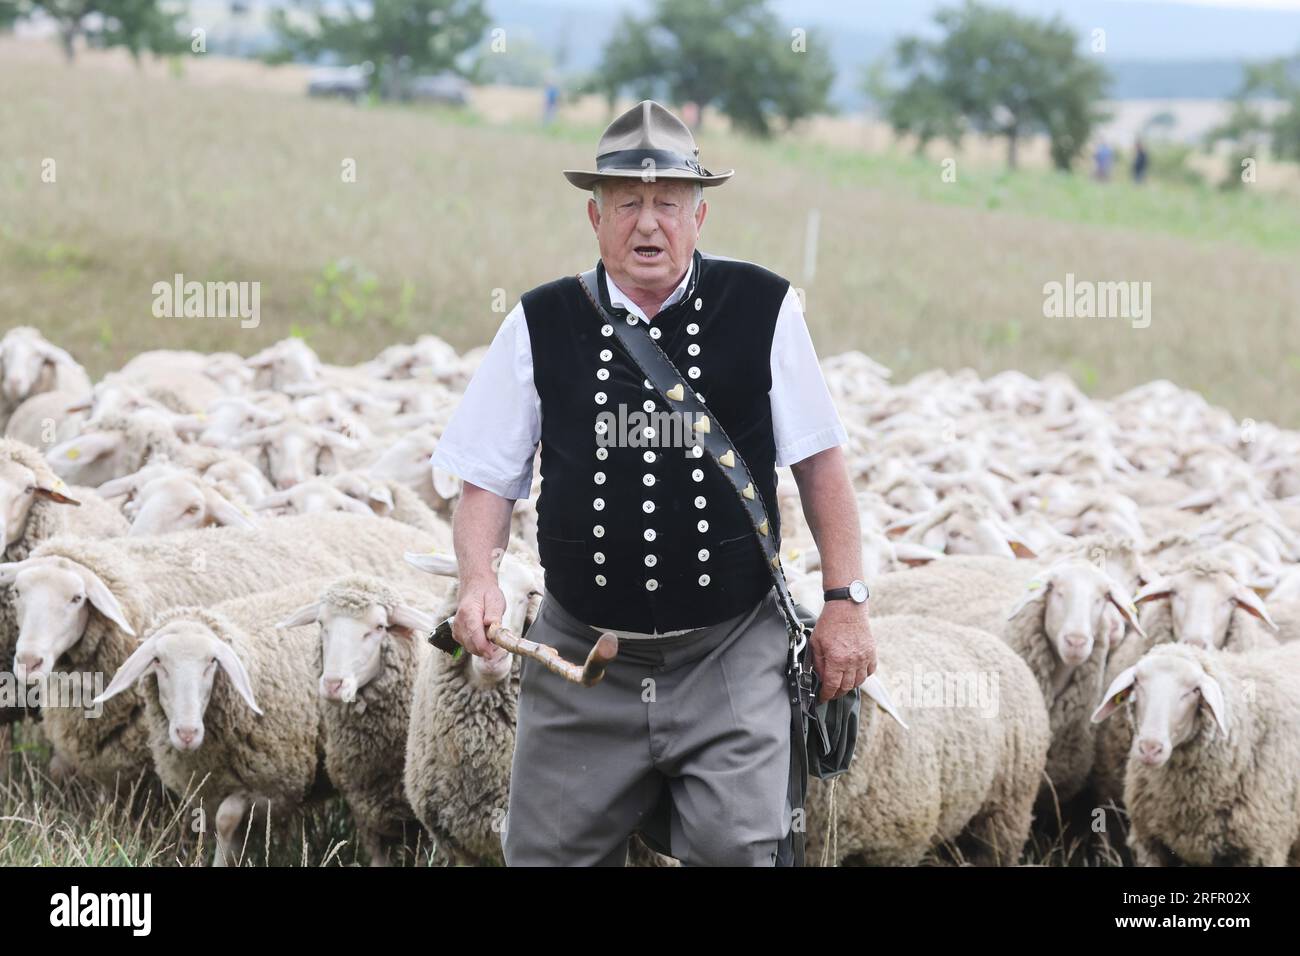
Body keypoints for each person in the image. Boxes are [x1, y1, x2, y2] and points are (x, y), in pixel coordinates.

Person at [429, 100, 875, 866]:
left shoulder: (764, 308)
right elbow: (487, 479)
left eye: (667, 204)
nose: (647, 224)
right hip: (581, 660)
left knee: (741, 853)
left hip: (729, 653)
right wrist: (478, 579)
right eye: (628, 203)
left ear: (699, 217)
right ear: (594, 218)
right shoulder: (540, 321)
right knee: (545, 858)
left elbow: (819, 462)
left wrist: (846, 603)